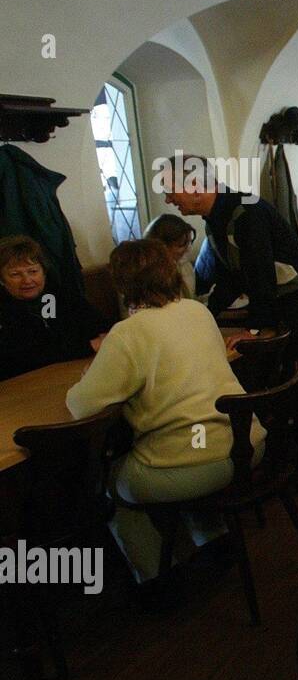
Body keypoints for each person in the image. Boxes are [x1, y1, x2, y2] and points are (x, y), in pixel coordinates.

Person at [66, 239, 264, 584]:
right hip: (246, 446)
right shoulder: (197, 311)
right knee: (183, 446)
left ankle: (159, 578)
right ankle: (214, 541)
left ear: (122, 283)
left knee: (110, 481)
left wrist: (89, 376)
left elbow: (82, 405)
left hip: (194, 465)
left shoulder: (127, 334)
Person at [160, 154, 298, 443]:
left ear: (196, 185)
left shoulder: (245, 211)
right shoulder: (216, 216)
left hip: (297, 299)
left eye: (170, 189)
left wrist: (258, 329)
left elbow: (261, 277)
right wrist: (203, 317)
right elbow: (231, 277)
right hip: (278, 301)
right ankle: (276, 443)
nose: (168, 199)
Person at [0, 234, 109, 381]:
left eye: (33, 271)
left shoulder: (56, 296)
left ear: (44, 272)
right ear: (2, 280)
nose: (27, 280)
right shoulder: (5, 310)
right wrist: (88, 346)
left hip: (71, 375)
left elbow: (102, 327)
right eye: (15, 274)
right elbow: (26, 358)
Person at [143, 212, 198, 298]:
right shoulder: (149, 278)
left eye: (189, 243)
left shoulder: (184, 265)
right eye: (181, 245)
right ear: (162, 247)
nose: (188, 250)